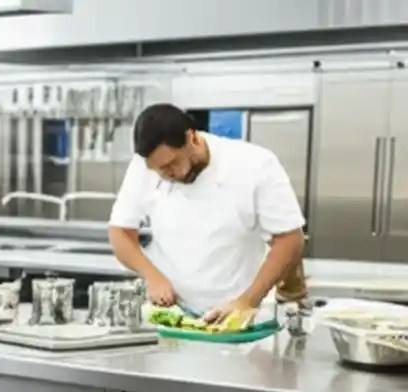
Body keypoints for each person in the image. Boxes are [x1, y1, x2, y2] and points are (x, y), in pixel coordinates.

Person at [108, 103, 306, 325]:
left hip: (238, 319)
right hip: (173, 318)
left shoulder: (255, 165)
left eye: (172, 164)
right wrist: (152, 277)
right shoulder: (145, 167)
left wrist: (247, 302)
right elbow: (120, 232)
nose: (166, 175)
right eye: (158, 170)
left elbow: (290, 239)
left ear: (192, 138)